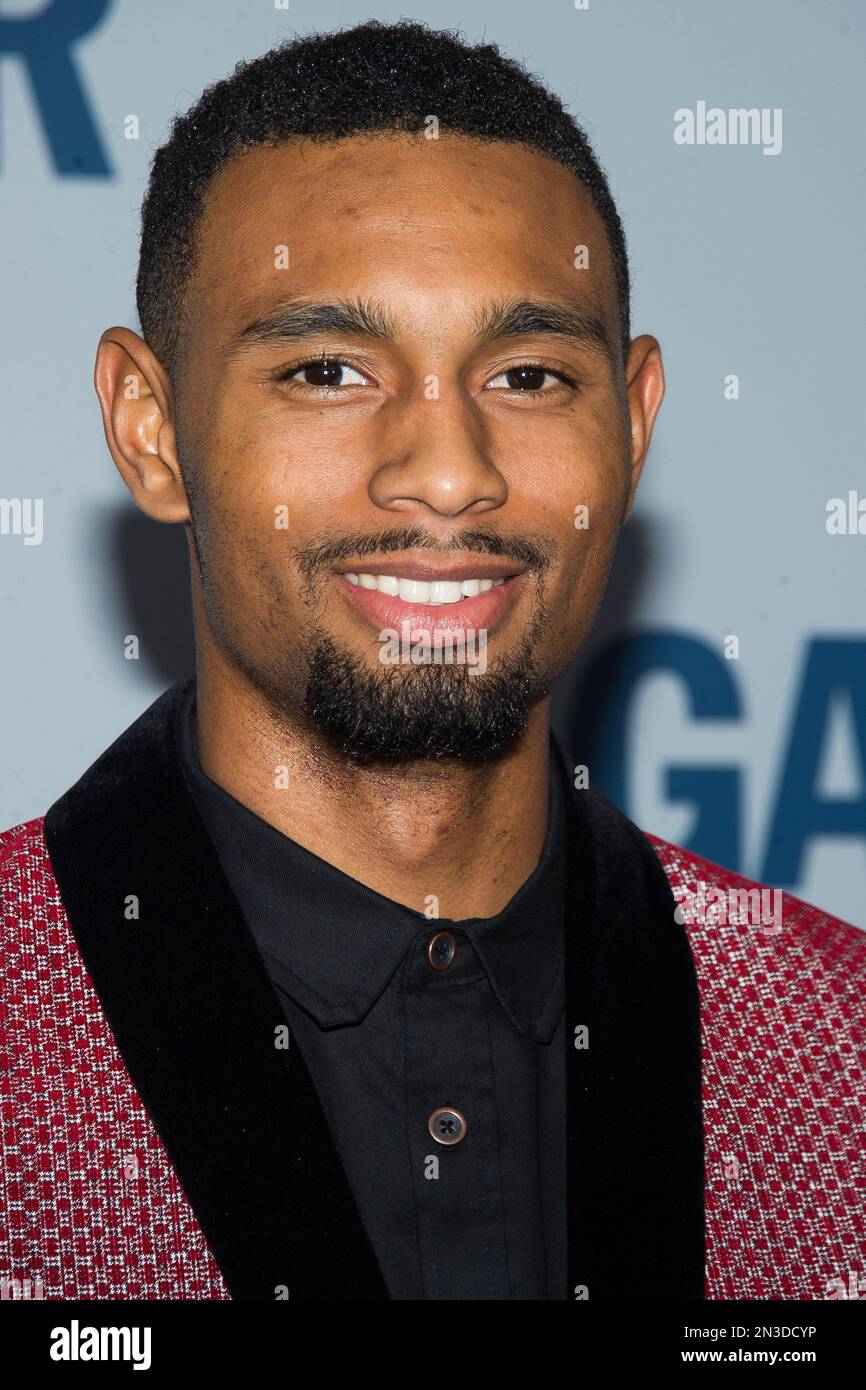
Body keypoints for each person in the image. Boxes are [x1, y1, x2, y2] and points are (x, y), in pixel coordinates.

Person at [1, 19, 863, 1303]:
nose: (449, 472)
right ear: (152, 428)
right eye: (327, 369)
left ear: (631, 424)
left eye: (524, 373)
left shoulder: (838, 1053)